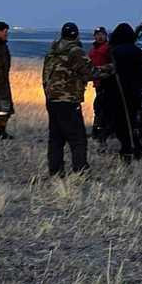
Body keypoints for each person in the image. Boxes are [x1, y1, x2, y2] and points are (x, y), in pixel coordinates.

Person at [42, 22, 99, 176]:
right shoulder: (75, 51)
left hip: (52, 100)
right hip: (69, 101)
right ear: (76, 34)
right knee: (77, 138)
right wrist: (110, 68)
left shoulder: (52, 52)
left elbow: (45, 77)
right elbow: (91, 72)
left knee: (56, 138)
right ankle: (81, 171)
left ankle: (55, 171)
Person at [103, 23, 142, 161]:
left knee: (120, 124)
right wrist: (138, 88)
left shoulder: (113, 52)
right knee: (132, 122)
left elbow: (108, 74)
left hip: (116, 94)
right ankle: (134, 149)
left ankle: (129, 149)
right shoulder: (139, 52)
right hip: (134, 94)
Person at [88, 27, 112, 142]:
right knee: (99, 107)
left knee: (101, 107)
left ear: (106, 36)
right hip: (97, 83)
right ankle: (99, 130)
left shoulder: (109, 48)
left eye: (102, 34)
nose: (99, 36)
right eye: (97, 34)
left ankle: (102, 131)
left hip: (107, 82)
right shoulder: (92, 50)